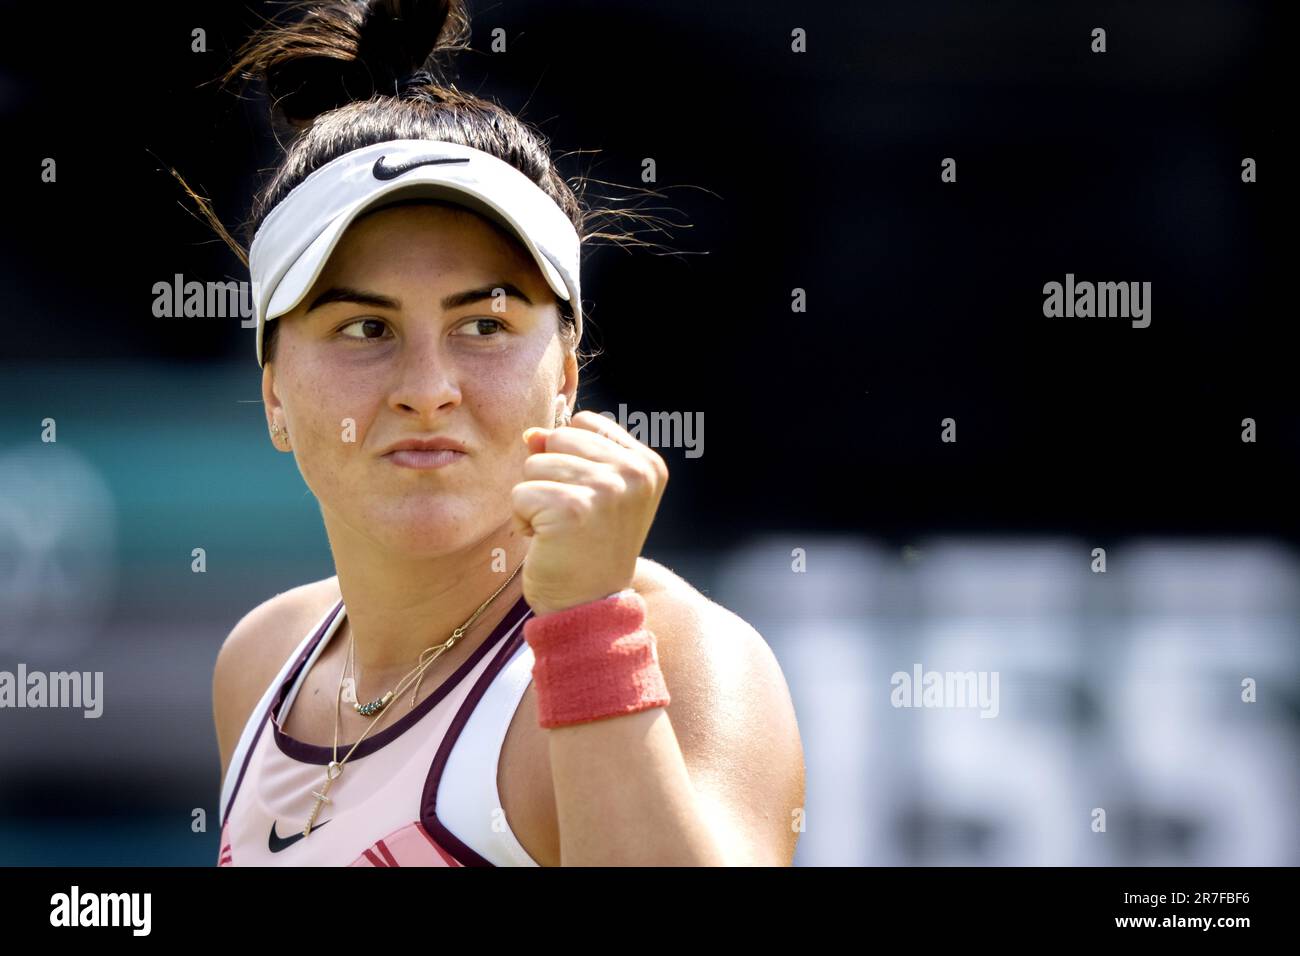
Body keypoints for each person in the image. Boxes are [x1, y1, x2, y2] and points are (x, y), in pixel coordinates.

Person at [200, 0, 804, 866]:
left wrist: (589, 625)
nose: (427, 391)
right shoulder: (261, 661)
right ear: (274, 400)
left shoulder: (684, 655)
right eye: (366, 328)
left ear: (564, 377)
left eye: (482, 325)